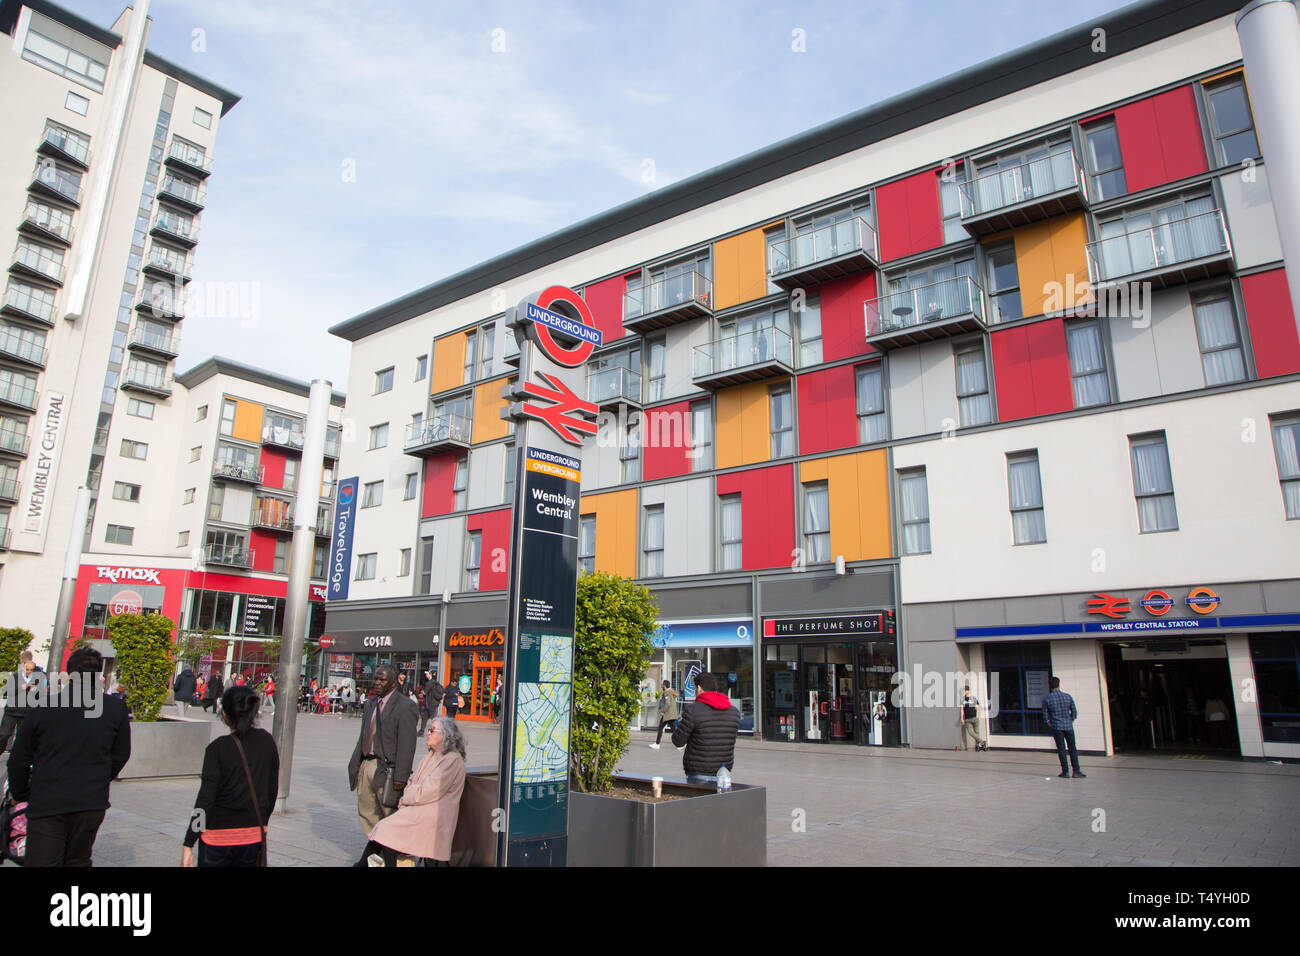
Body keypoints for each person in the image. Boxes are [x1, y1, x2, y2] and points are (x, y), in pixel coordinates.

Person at [6, 648, 130, 867]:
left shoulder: (43, 706)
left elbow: (18, 759)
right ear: (97, 676)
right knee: (78, 861)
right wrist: (99, 778)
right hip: (91, 802)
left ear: (69, 674)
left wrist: (21, 792)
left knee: (43, 861)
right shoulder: (115, 708)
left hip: (48, 801)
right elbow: (121, 754)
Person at [182, 686, 279, 867]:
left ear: (225, 714)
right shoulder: (267, 742)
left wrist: (189, 841)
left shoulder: (217, 749)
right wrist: (262, 823)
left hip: (216, 839)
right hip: (253, 835)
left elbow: (205, 800)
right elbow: (272, 790)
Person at [359, 717, 466, 867]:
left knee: (387, 831)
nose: (428, 733)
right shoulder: (432, 755)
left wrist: (407, 796)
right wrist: (411, 792)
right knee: (383, 831)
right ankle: (361, 865)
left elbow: (429, 791)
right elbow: (413, 782)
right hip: (421, 808)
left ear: (445, 735)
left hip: (434, 815)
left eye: (432, 730)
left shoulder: (452, 760)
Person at [347, 664, 418, 838]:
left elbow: (407, 745)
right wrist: (356, 766)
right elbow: (364, 735)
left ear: (393, 682)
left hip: (386, 769)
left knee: (389, 814)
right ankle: (375, 852)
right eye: (376, 678)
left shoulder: (405, 706)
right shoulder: (371, 704)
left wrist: (400, 776)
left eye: (382, 679)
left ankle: (395, 856)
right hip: (366, 764)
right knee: (367, 813)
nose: (377, 682)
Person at [671, 672, 740, 785]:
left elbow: (678, 741)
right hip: (723, 773)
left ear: (699, 688)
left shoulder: (693, 710)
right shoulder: (734, 712)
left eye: (694, 689)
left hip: (698, 771)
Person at [1, 651, 43, 753]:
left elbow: (41, 696)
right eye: (27, 669)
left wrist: (35, 690)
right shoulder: (15, 676)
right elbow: (5, 691)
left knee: (23, 737)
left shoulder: (38, 678)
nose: (29, 672)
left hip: (26, 712)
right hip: (12, 710)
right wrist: (20, 687)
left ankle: (18, 754)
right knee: (4, 734)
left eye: (31, 670)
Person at [1042, 676, 1084, 778]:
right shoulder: (1067, 696)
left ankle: (1065, 771)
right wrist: (1070, 720)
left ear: (1049, 685)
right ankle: (1076, 771)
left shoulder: (1047, 699)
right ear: (1059, 684)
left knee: (1061, 749)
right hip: (1068, 726)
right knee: (1072, 748)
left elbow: (1045, 716)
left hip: (1056, 727)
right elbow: (1074, 712)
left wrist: (1050, 724)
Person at [648, 680, 679, 749]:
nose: (661, 685)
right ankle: (680, 744)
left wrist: (663, 711)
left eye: (662, 684)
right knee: (673, 730)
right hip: (671, 714)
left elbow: (668, 703)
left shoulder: (667, 692)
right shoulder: (671, 691)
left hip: (668, 715)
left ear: (664, 685)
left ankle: (657, 744)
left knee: (661, 728)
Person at [960, 684, 986, 751]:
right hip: (967, 719)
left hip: (974, 718)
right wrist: (962, 718)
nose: (964, 692)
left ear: (968, 691)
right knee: (970, 732)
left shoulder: (973, 698)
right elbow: (962, 709)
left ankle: (977, 747)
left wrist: (977, 716)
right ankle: (982, 742)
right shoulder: (962, 699)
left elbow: (978, 707)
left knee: (977, 732)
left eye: (965, 690)